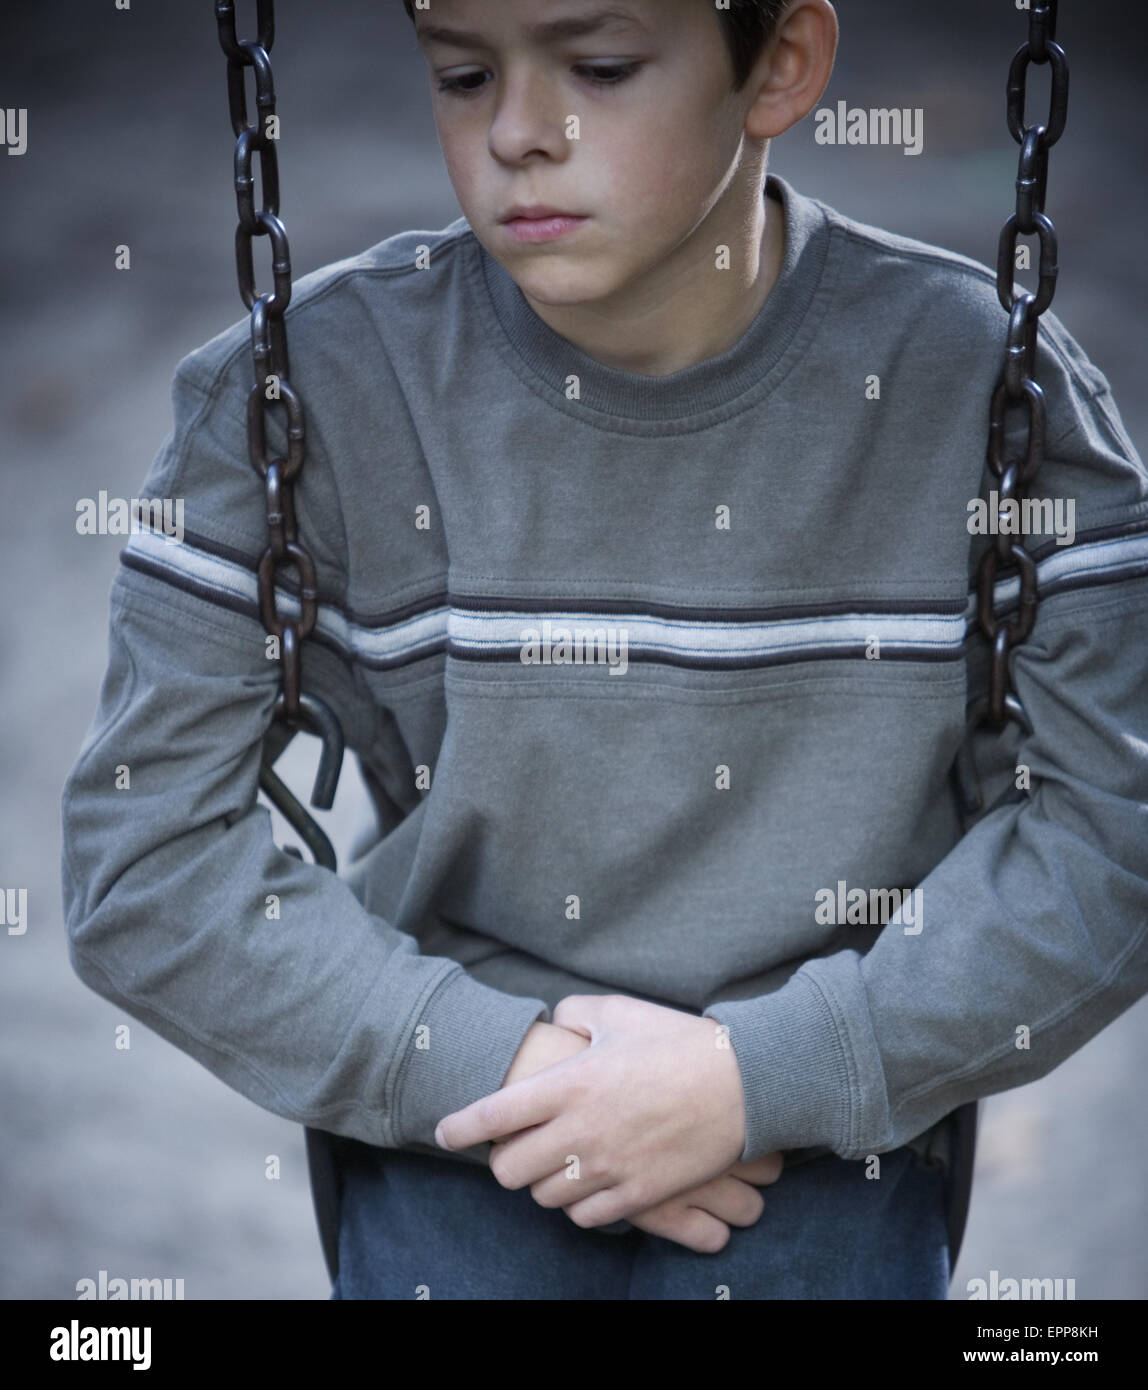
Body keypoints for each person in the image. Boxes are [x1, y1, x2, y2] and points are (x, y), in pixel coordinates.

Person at [61, 0, 1148, 1301]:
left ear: (781, 65)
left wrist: (755, 1079)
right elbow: (145, 858)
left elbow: (1113, 831)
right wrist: (529, 1072)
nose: (520, 132)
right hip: (455, 1067)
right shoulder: (305, 397)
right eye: (464, 74)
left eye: (601, 66)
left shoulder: (978, 391)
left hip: (831, 1079)